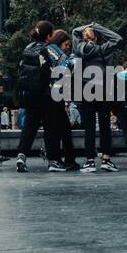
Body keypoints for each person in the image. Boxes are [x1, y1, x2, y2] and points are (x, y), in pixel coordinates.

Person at [8, 21, 65, 173]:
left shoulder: (28, 48)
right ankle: (53, 161)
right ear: (48, 35)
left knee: (30, 125)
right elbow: (60, 67)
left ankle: (21, 156)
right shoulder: (50, 49)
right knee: (50, 126)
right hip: (45, 93)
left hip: (28, 93)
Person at [72, 23, 123, 173]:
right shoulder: (104, 49)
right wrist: (96, 27)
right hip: (103, 89)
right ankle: (106, 159)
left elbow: (75, 30)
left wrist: (87, 27)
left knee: (89, 127)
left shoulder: (78, 48)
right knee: (105, 124)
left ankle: (89, 161)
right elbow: (118, 38)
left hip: (85, 89)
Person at [46, 30, 80, 172]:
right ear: (60, 42)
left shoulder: (46, 50)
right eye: (66, 44)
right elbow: (65, 70)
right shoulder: (57, 52)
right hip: (55, 95)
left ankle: (61, 159)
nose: (67, 47)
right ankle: (63, 160)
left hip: (49, 95)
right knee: (61, 128)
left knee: (57, 128)